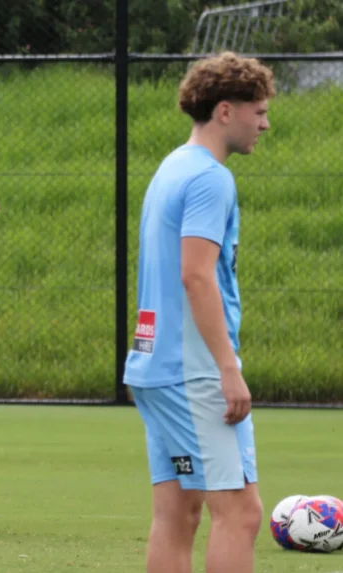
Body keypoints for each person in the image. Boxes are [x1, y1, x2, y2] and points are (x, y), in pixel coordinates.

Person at [123, 52, 275, 573]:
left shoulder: (172, 166)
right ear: (226, 111)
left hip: (154, 366)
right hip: (192, 372)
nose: (265, 123)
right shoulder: (211, 178)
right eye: (259, 111)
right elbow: (196, 275)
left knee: (178, 513)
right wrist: (228, 368)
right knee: (240, 512)